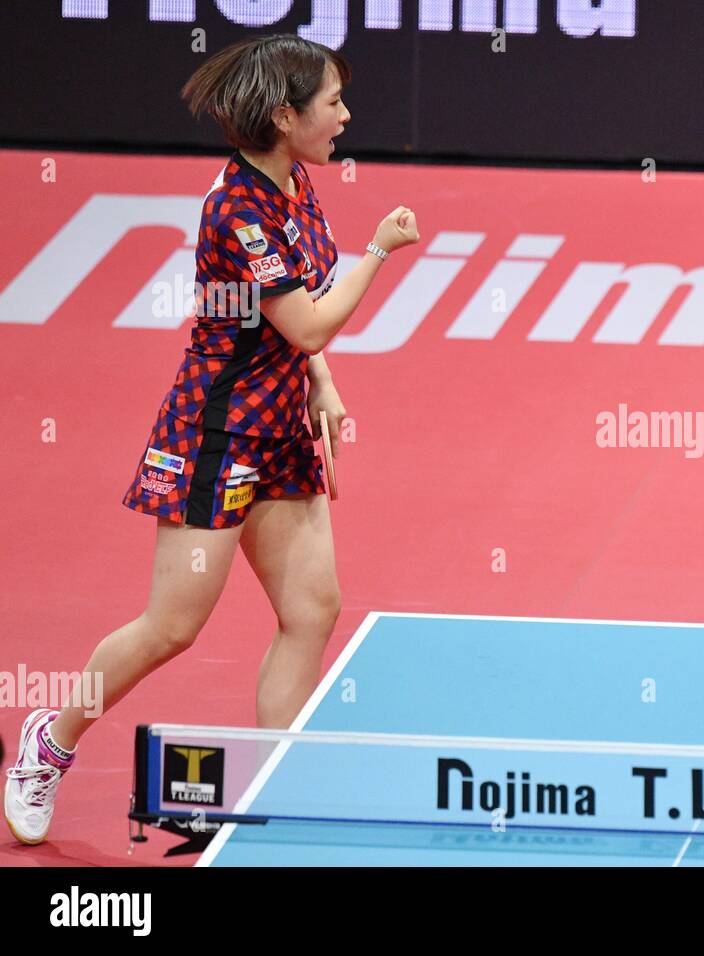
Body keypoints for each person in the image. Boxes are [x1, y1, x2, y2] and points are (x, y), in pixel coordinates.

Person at [5, 34, 420, 846]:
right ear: (284, 115)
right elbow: (308, 317)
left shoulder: (295, 181)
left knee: (312, 609)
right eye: (330, 103)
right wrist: (380, 251)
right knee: (172, 627)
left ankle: (277, 786)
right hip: (216, 436)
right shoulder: (237, 210)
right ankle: (48, 746)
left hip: (280, 427)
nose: (345, 116)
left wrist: (324, 386)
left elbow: (297, 319)